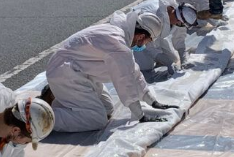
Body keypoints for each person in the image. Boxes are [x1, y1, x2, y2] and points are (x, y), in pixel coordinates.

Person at [45, 11, 175, 132]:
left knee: (107, 108)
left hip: (80, 72)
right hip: (65, 73)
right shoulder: (118, 44)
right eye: (148, 41)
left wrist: (152, 101)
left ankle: (57, 100)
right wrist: (141, 116)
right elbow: (125, 81)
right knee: (96, 119)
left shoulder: (119, 35)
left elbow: (133, 71)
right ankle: (39, 118)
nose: (144, 45)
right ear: (141, 36)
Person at [131, 0, 200, 77]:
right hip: (138, 37)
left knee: (174, 59)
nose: (180, 26)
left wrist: (184, 59)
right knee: (146, 68)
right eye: (181, 24)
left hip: (154, 36)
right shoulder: (155, 16)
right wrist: (168, 63)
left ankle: (159, 60)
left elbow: (179, 39)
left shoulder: (177, 15)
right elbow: (148, 46)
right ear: (179, 21)